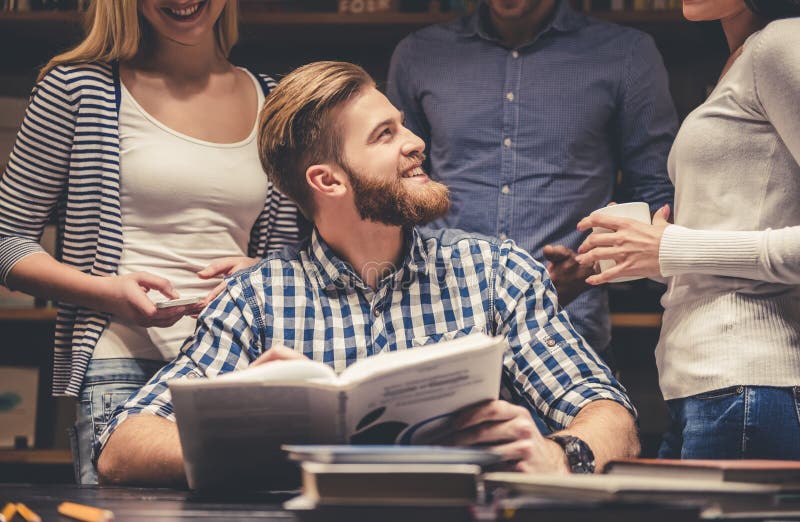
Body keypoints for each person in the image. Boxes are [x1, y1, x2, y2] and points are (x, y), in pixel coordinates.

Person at [95, 61, 639, 486]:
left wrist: (558, 453)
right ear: (328, 181)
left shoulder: (498, 275)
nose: (415, 142)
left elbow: (611, 417)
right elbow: (122, 446)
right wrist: (278, 438)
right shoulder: (254, 299)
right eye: (385, 135)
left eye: (402, 125)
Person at [0, 0, 301, 484]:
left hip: (232, 361)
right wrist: (104, 291)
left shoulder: (275, 100)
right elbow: (6, 242)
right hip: (119, 357)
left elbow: (290, 264)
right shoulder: (76, 88)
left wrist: (260, 271)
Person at [387, 0, 677, 358]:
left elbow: (654, 194)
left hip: (568, 323)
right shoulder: (419, 54)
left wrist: (593, 266)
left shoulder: (625, 53)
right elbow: (397, 190)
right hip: (442, 320)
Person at [575, 0, 800, 459]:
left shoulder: (784, 42)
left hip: (749, 378)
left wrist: (672, 247)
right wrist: (646, 256)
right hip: (705, 384)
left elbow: (690, 251)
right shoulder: (741, 58)